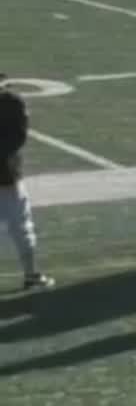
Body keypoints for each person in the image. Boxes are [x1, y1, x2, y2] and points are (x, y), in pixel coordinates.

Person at [0, 73, 53, 289]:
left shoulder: (11, 102)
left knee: (21, 224)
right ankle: (31, 274)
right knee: (21, 225)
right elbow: (17, 138)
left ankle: (31, 274)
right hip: (6, 175)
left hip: (6, 173)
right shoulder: (12, 102)